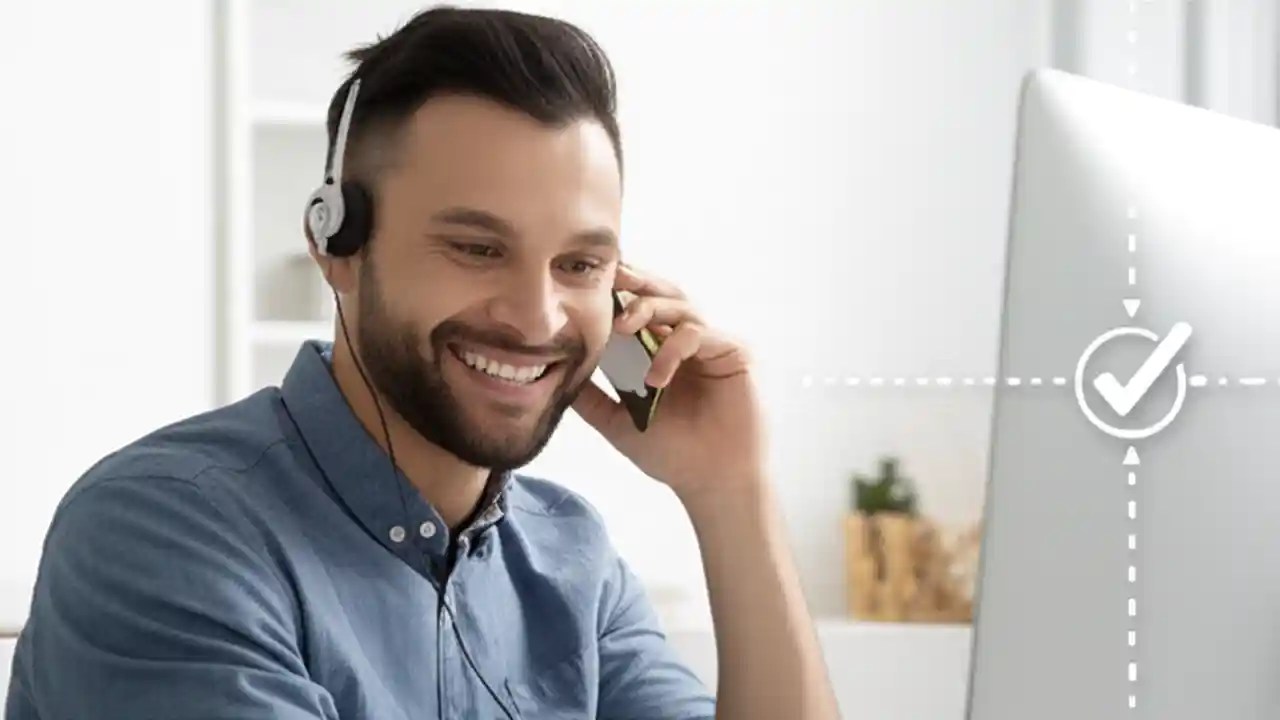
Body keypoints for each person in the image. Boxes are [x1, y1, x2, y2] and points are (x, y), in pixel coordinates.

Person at [5, 6, 839, 719]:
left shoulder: (570, 558)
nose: (536, 317)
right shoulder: (164, 531)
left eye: (580, 265)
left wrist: (731, 493)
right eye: (477, 247)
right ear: (336, 242)